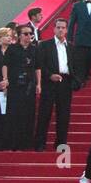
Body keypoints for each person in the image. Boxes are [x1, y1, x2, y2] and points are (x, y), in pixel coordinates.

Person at [35, 18, 74, 151]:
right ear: (54, 29)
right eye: (58, 27)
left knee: (64, 115)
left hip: (65, 82)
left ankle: (61, 144)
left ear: (67, 30)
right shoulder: (45, 45)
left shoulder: (71, 47)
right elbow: (40, 64)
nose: (61, 30)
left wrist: (75, 80)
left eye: (63, 27)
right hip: (49, 82)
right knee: (44, 113)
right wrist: (50, 75)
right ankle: (40, 144)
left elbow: (75, 65)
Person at [4, 23, 39, 150]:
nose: (28, 36)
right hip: (14, 86)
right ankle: (12, 144)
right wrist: (5, 80)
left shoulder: (35, 49)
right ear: (19, 36)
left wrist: (38, 84)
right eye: (25, 34)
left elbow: (38, 67)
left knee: (29, 115)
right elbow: (5, 65)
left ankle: (26, 145)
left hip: (29, 86)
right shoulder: (12, 49)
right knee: (14, 115)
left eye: (30, 33)